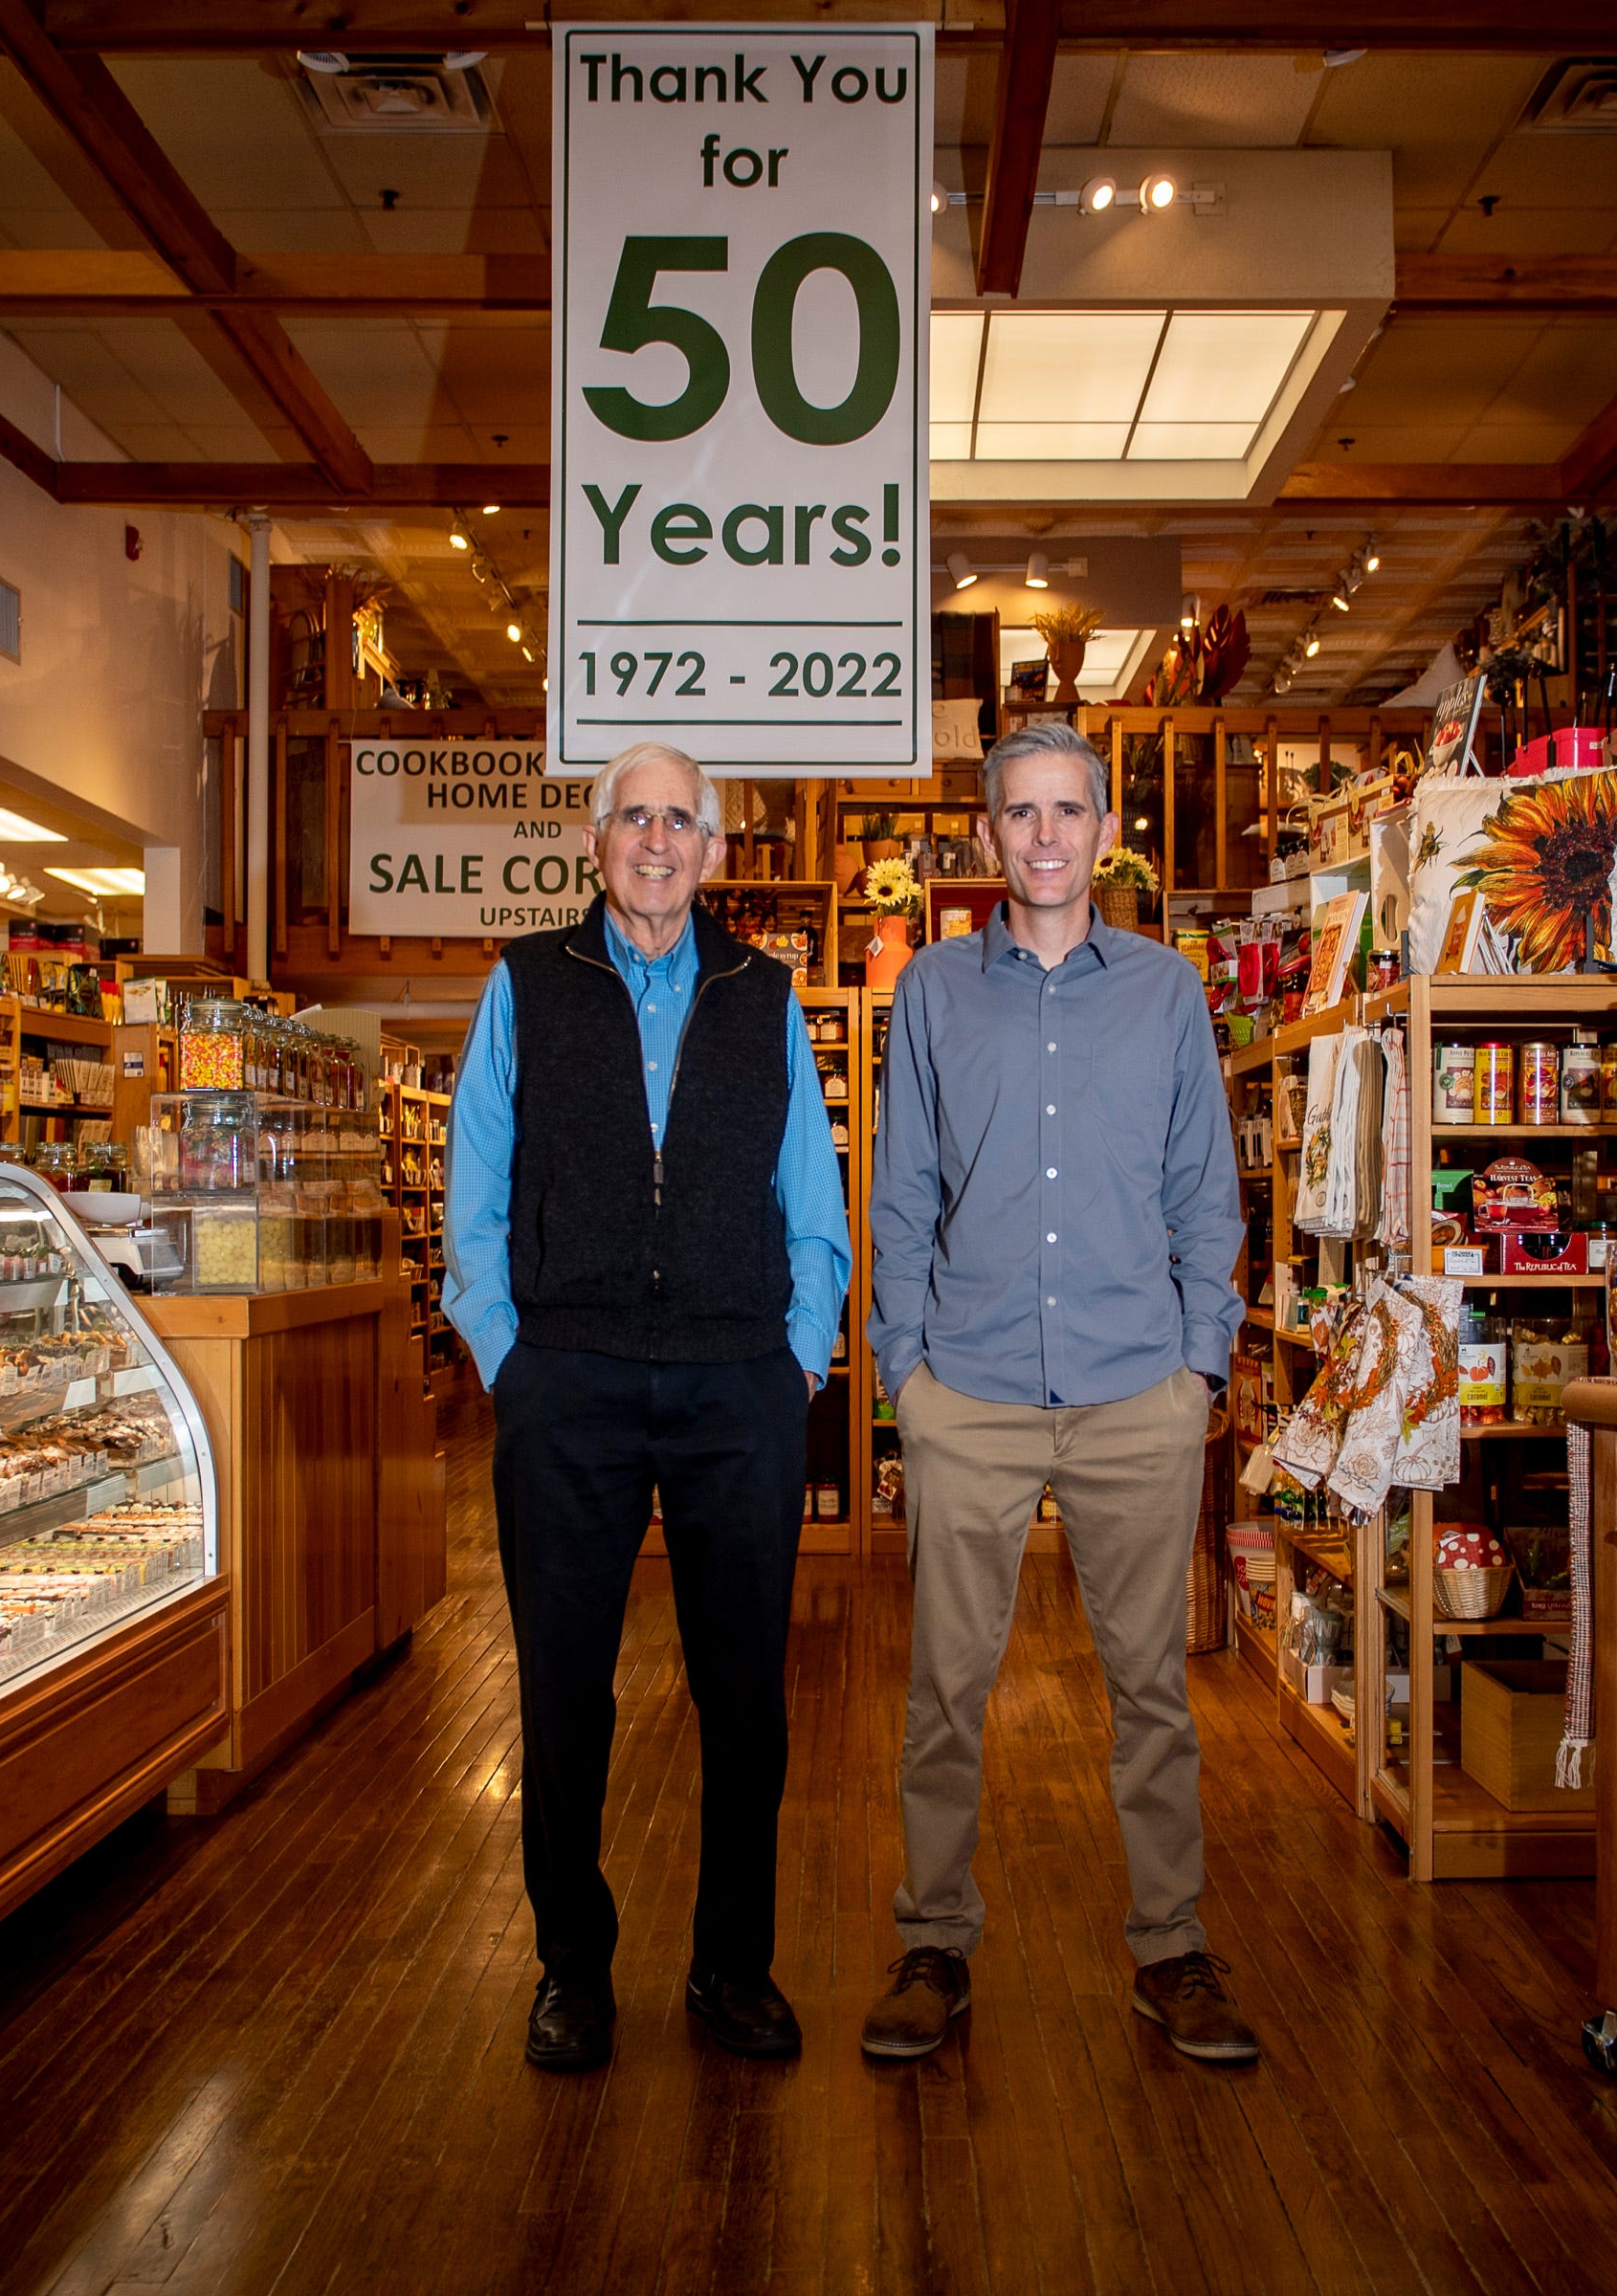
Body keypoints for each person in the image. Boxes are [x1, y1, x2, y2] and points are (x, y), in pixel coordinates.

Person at [443, 740, 853, 2073]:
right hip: (570, 1379)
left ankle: (732, 1965)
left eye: (682, 821)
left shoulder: (765, 994)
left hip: (738, 1381)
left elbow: (813, 1189)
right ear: (596, 839)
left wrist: (798, 1350)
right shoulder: (524, 988)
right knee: (562, 1689)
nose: (658, 842)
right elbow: (478, 1190)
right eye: (634, 818)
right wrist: (511, 1355)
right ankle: (572, 1965)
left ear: (716, 850)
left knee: (745, 1698)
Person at [861, 718, 1255, 2064]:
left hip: (1135, 1385)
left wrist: (1202, 1360)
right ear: (986, 837)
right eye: (1018, 814)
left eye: (1066, 812)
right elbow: (902, 1189)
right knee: (943, 1689)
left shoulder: (1164, 991)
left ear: (1102, 831)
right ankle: (933, 1940)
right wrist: (902, 1372)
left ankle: (1174, 1949)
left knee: (1150, 1686)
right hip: (964, 1389)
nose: (1043, 836)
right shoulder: (930, 992)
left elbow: (1207, 1188)